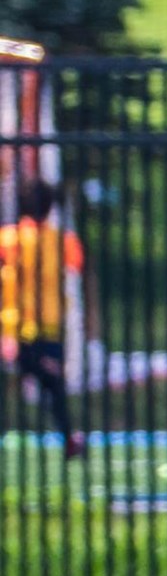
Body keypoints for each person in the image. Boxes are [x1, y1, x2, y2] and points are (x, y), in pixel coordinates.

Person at [0, 177, 85, 460]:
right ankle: (68, 438)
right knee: (54, 387)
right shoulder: (64, 241)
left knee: (46, 383)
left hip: (14, 328)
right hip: (49, 328)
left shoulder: (8, 240)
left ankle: (68, 438)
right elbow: (76, 265)